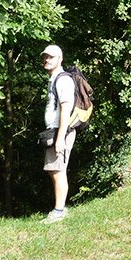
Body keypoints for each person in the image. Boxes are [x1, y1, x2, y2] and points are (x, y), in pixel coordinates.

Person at [40, 44, 76, 224]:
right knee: (53, 170)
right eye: (45, 57)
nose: (47, 60)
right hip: (54, 132)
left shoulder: (63, 80)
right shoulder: (54, 79)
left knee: (58, 171)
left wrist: (60, 138)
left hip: (60, 132)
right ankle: (60, 208)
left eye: (51, 57)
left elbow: (66, 110)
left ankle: (59, 211)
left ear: (60, 59)